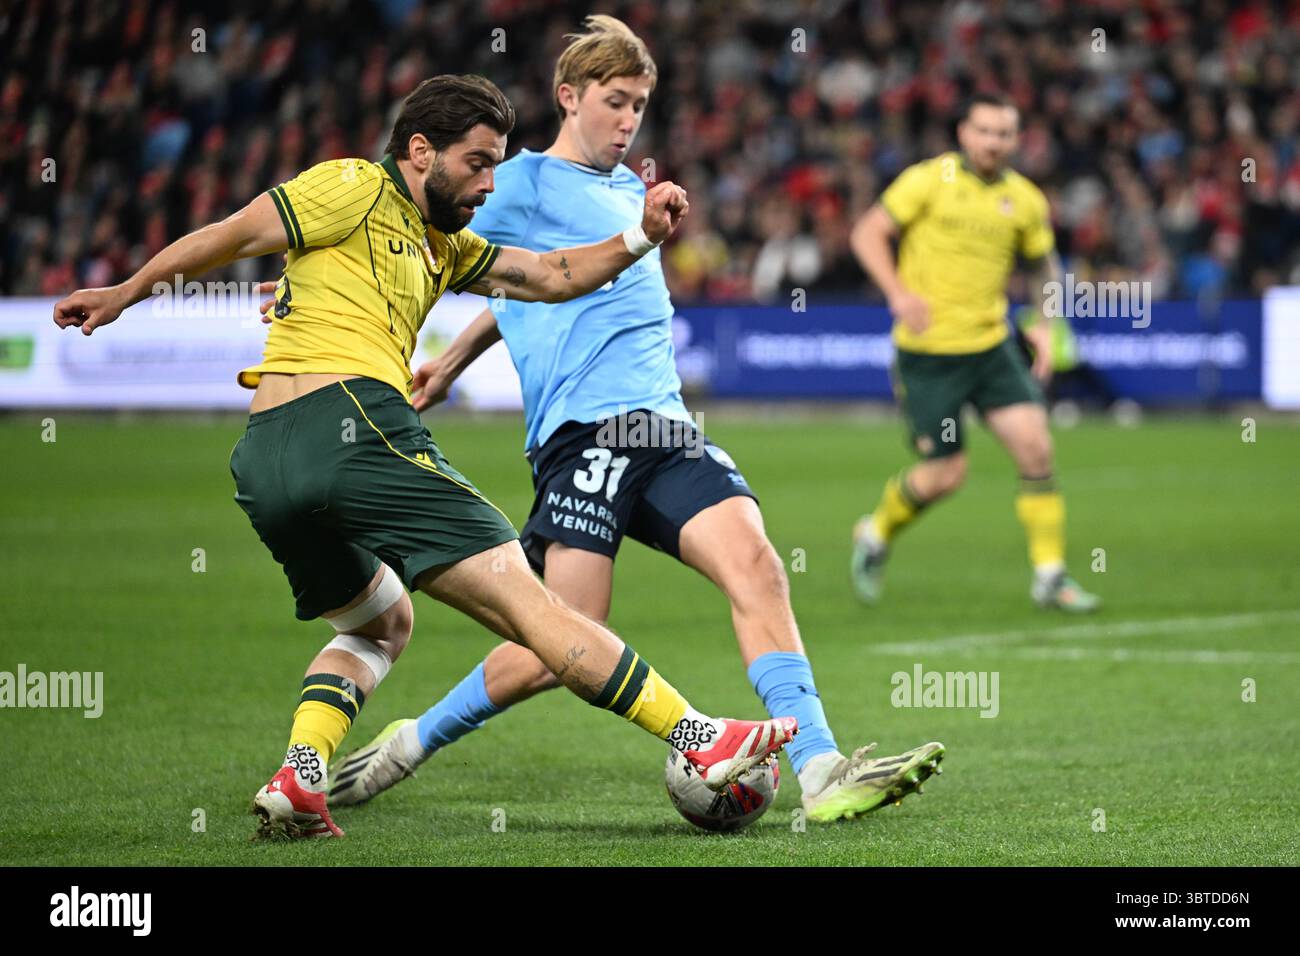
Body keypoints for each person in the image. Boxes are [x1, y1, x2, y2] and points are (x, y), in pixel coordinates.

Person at [52, 73, 796, 840]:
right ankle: (700, 738)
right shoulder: (354, 185)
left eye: (497, 164)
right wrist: (124, 293)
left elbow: (547, 275)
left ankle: (300, 777)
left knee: (381, 623)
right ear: (418, 151)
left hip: (265, 462)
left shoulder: (444, 246)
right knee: (534, 607)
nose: (489, 182)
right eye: (475, 162)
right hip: (352, 425)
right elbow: (236, 234)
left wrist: (640, 234)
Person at [327, 18, 943, 825]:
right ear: (568, 97)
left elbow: (553, 289)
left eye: (641, 105)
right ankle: (412, 742)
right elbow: (451, 253)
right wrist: (373, 315)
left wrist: (458, 358)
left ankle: (820, 767)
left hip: (663, 427)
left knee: (757, 565)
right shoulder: (518, 183)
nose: (629, 121)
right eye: (615, 103)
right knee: (562, 641)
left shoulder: (630, 193)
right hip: (583, 437)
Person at [849, 92, 1101, 613]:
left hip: (990, 346)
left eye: (1004, 133)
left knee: (1037, 449)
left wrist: (1045, 326)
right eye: (984, 131)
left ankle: (1050, 577)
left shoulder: (1025, 199)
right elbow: (868, 233)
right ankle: (876, 533)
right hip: (928, 354)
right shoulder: (926, 180)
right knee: (946, 474)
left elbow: (1044, 268)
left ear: (1016, 139)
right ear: (964, 132)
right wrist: (897, 292)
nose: (993, 142)